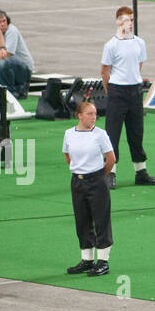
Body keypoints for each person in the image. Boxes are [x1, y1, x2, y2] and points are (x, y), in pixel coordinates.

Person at [101, 6, 155, 187]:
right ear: (119, 22)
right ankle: (110, 172)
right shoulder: (111, 45)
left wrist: (133, 82)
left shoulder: (139, 42)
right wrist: (111, 91)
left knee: (136, 132)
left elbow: (138, 64)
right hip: (117, 91)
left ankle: (140, 171)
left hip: (135, 90)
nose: (131, 23)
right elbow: (105, 71)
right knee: (113, 133)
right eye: (127, 20)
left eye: (133, 20)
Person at [61, 101, 116, 277]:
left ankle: (103, 261)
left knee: (101, 220)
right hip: (77, 181)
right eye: (89, 114)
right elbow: (67, 155)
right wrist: (79, 170)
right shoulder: (69, 133)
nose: (93, 117)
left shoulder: (100, 134)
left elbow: (111, 159)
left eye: (94, 114)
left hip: (96, 180)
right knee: (82, 220)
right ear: (80, 116)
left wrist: (100, 176)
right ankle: (87, 259)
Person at [0, 10, 34, 99]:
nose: (2, 24)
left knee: (4, 61)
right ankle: (14, 90)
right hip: (10, 68)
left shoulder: (12, 30)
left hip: (23, 68)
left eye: (4, 21)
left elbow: (7, 53)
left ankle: (14, 90)